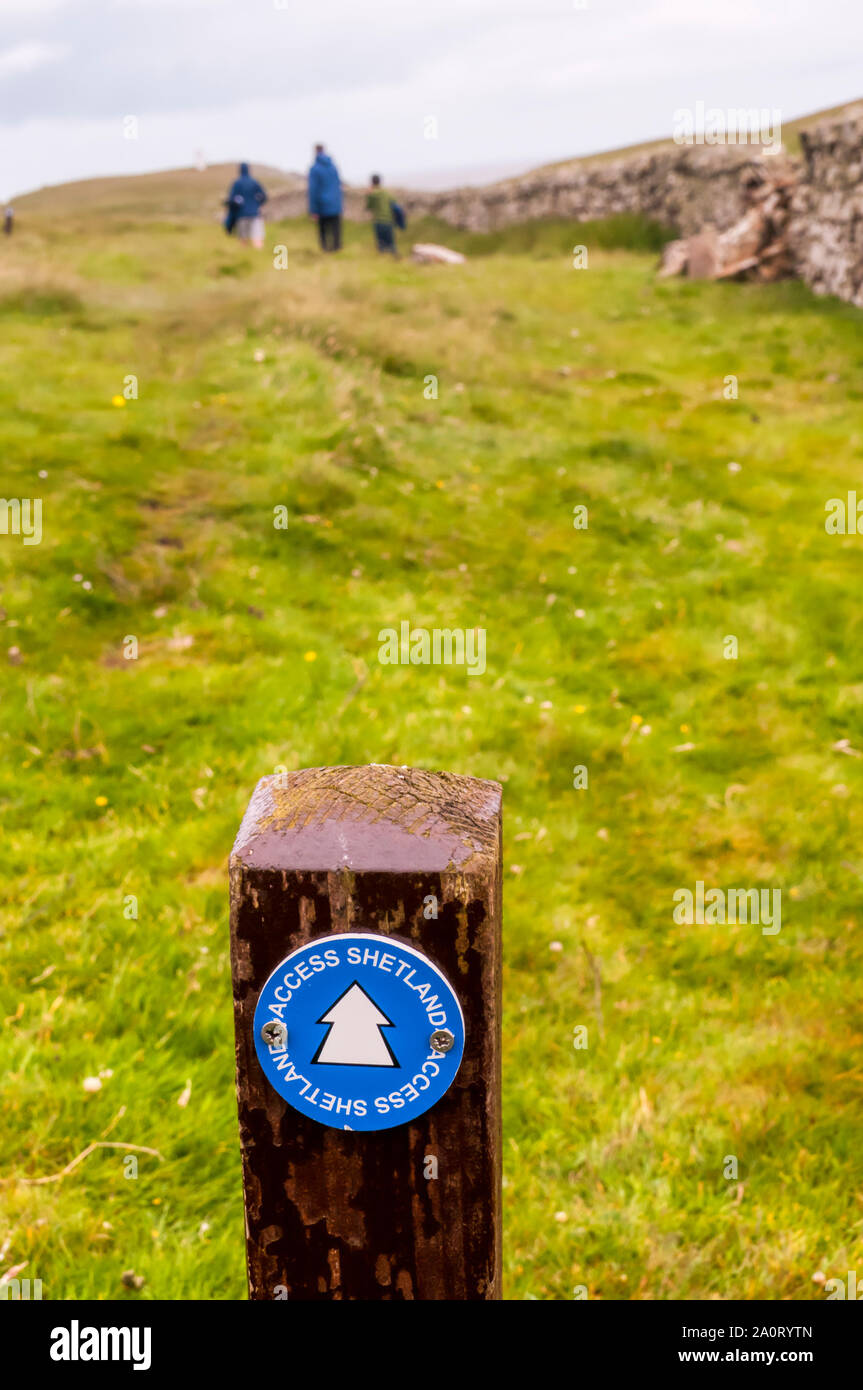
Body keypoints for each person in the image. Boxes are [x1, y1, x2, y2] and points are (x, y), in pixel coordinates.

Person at [307, 144, 343, 252]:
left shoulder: (314, 169)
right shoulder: (333, 167)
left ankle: (325, 249)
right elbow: (338, 185)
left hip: (322, 205)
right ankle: (337, 248)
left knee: (323, 229)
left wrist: (313, 210)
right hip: (335, 203)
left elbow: (313, 190)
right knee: (336, 228)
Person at [224, 163, 267, 248]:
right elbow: (264, 196)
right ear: (249, 170)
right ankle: (258, 256)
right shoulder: (254, 182)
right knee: (257, 239)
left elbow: (231, 200)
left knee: (243, 240)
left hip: (241, 215)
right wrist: (257, 204)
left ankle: (244, 257)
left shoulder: (237, 183)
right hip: (255, 214)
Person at [366, 175, 399, 257]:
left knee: (381, 244)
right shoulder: (386, 192)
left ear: (372, 182)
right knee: (391, 243)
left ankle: (383, 259)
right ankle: (395, 258)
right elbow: (394, 202)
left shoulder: (372, 194)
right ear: (380, 181)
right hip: (388, 220)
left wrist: (368, 194)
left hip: (378, 221)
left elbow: (369, 206)